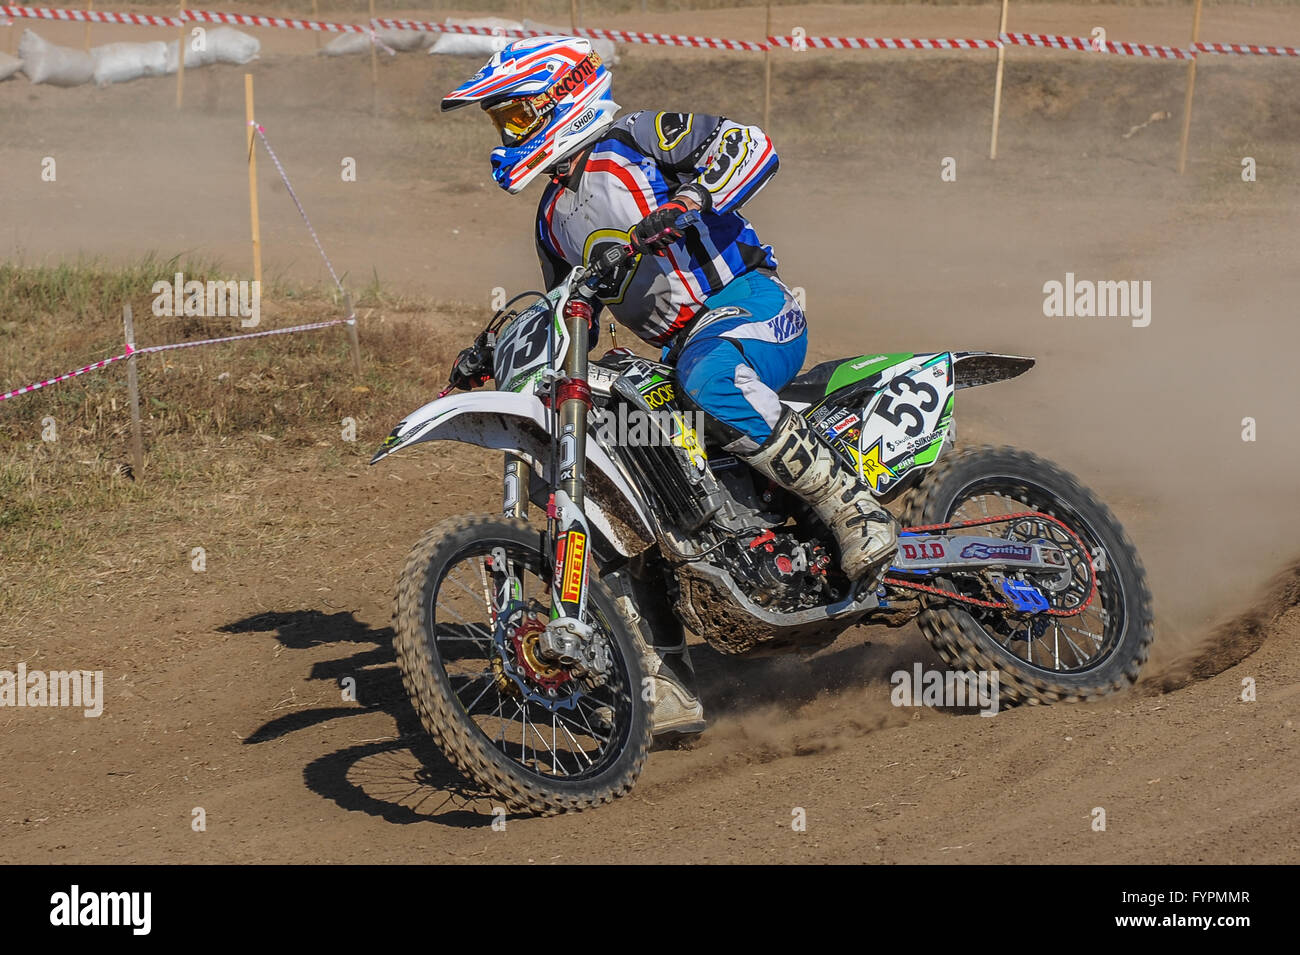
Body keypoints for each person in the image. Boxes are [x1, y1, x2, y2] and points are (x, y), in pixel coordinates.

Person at [441, 35, 898, 735]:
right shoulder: (551, 219)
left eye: (512, 115)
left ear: (556, 98)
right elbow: (571, 315)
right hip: (680, 351)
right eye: (499, 120)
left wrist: (687, 202)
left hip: (750, 307)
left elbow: (753, 146)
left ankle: (852, 506)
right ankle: (665, 677)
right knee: (625, 475)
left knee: (706, 373)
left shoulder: (634, 138)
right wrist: (495, 356)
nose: (505, 133)